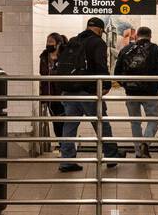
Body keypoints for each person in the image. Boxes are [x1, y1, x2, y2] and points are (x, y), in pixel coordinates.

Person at [51, 16, 119, 172]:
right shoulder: (98, 42)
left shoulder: (74, 40)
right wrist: (106, 85)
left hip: (69, 90)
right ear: (100, 30)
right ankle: (110, 155)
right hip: (88, 91)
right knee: (101, 123)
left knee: (70, 125)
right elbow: (101, 64)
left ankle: (67, 161)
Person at [113, 26, 158, 158]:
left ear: (136, 36)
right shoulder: (155, 49)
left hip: (131, 93)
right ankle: (145, 143)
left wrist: (126, 85)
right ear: (150, 36)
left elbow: (117, 72)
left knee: (135, 122)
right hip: (150, 92)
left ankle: (138, 151)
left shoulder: (126, 50)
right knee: (154, 119)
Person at [37, 33, 67, 157]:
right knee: (56, 123)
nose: (48, 44)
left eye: (51, 42)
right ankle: (62, 146)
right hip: (50, 95)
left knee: (65, 122)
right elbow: (42, 73)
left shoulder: (64, 56)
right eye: (47, 41)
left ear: (58, 44)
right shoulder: (44, 56)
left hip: (63, 94)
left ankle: (67, 147)